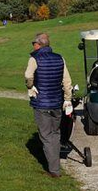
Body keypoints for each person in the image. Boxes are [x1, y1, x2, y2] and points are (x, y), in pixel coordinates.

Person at [24, 32, 74, 178]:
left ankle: (54, 170)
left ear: (38, 44)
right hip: (57, 102)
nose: (33, 45)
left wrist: (30, 86)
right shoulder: (60, 58)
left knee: (46, 136)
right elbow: (67, 82)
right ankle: (56, 164)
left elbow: (28, 76)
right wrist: (67, 99)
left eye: (33, 43)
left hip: (42, 103)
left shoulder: (34, 58)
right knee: (55, 133)